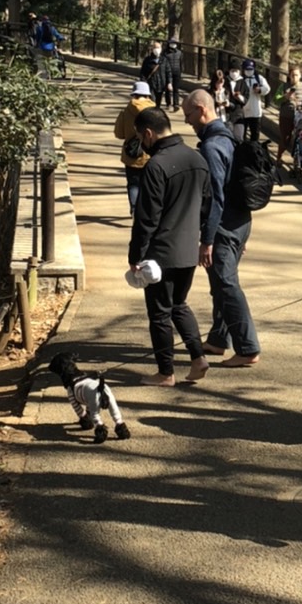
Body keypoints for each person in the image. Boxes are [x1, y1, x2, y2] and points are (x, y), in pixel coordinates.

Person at [128, 106, 211, 387]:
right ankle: (198, 358)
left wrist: (136, 256)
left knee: (159, 313)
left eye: (141, 137)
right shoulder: (197, 158)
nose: (142, 143)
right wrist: (202, 239)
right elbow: (207, 206)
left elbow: (146, 217)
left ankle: (165, 372)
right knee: (179, 305)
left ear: (148, 133)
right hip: (188, 248)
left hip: (161, 254)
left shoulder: (156, 165)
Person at [182, 89, 261, 367]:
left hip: (225, 225)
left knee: (227, 285)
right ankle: (218, 339)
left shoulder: (212, 147)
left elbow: (214, 197)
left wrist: (208, 238)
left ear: (202, 110)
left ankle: (248, 348)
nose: (186, 121)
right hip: (240, 222)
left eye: (188, 114)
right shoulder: (228, 135)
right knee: (221, 283)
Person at [114, 80, 155, 214]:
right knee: (149, 185)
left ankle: (133, 209)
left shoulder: (127, 111)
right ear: (147, 95)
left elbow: (119, 133)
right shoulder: (154, 111)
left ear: (134, 94)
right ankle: (147, 211)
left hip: (131, 155)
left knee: (133, 184)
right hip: (150, 154)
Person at [274, 66, 302, 165]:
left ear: (300, 76)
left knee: (300, 138)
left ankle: (297, 159)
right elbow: (276, 99)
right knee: (285, 137)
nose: (294, 77)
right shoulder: (283, 86)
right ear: (289, 75)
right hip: (286, 115)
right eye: (292, 75)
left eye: (296, 75)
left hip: (300, 116)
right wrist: (285, 97)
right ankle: (279, 157)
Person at [229, 58, 270, 142]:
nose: (249, 71)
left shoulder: (259, 78)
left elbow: (267, 88)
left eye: (251, 69)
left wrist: (259, 90)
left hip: (255, 111)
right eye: (246, 69)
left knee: (255, 134)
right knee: (241, 135)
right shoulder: (240, 79)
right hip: (242, 112)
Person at [162, 38, 185, 110]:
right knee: (167, 89)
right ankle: (168, 103)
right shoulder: (165, 53)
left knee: (176, 89)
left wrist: (181, 71)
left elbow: (181, 63)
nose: (173, 44)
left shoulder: (179, 53)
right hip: (167, 73)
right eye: (172, 43)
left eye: (175, 43)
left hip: (177, 72)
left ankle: (176, 104)